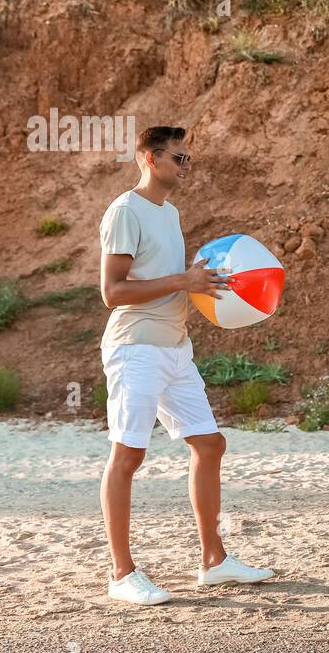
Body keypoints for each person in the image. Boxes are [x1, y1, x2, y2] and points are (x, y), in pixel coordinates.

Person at [98, 124, 275, 605]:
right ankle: (121, 573)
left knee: (210, 443)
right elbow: (112, 293)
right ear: (151, 160)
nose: (186, 166)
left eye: (188, 158)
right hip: (136, 348)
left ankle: (214, 561)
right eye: (179, 158)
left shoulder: (170, 213)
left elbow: (179, 281)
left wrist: (206, 286)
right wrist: (184, 280)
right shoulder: (125, 211)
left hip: (175, 349)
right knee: (128, 456)